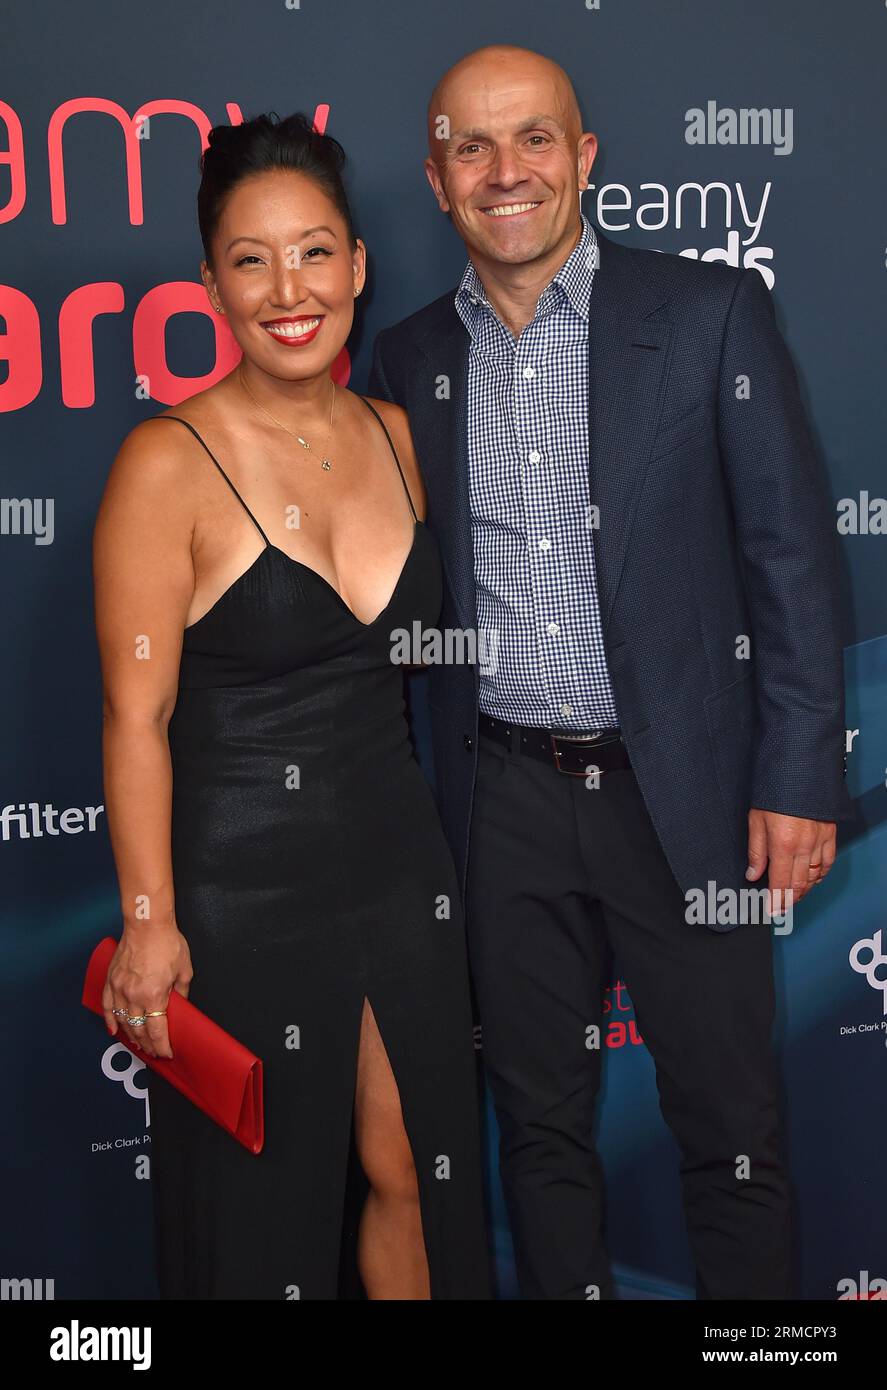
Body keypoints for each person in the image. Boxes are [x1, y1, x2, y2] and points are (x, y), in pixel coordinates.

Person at [368, 45, 853, 1300]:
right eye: (470, 148)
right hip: (505, 805)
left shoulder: (707, 319)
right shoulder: (408, 363)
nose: (504, 171)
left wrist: (797, 772)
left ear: (583, 158)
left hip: (680, 794)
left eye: (532, 138)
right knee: (537, 1134)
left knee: (730, 1137)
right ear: (434, 182)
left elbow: (791, 559)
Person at [93, 111, 491, 1301]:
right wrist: (150, 919)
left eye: (314, 251)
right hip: (239, 887)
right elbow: (134, 719)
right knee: (263, 1219)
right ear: (209, 280)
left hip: (395, 860)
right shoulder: (165, 461)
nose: (288, 288)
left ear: (359, 266)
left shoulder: (405, 437)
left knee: (413, 1169)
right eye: (251, 258)